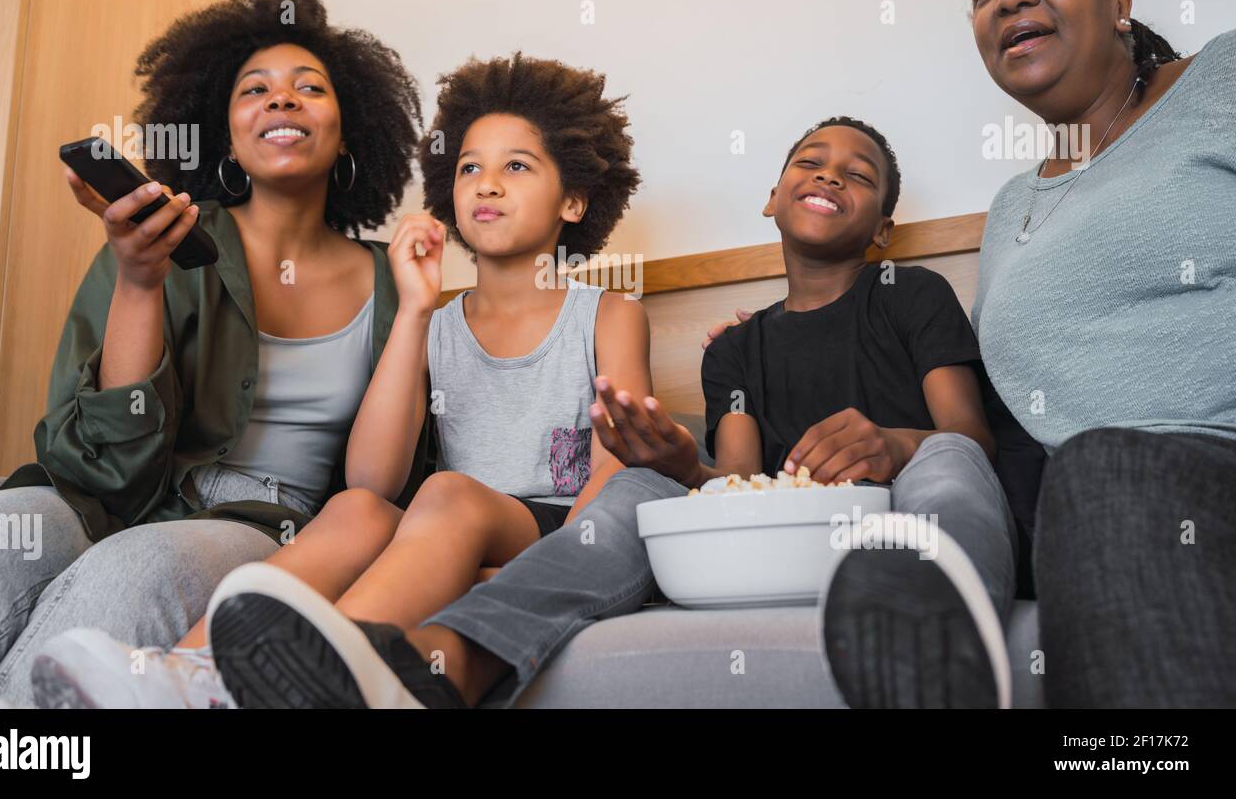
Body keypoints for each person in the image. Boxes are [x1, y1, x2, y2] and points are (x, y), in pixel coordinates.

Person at [207, 116, 1021, 709]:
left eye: (858, 173)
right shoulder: (734, 351)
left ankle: (934, 629)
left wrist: (894, 440)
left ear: (884, 227)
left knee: (950, 458)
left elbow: (969, 435)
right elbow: (729, 486)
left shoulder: (910, 292)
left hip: (896, 518)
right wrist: (676, 463)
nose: (829, 174)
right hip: (774, 536)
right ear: (771, 197)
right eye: (808, 161)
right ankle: (412, 668)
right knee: (644, 492)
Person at [48, 52, 651, 709]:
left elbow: (613, 482)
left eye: (517, 166)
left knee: (450, 494)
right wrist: (416, 309)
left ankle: (343, 659)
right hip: (441, 526)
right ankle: (191, 675)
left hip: (556, 528)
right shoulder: (432, 323)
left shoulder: (608, 314)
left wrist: (535, 577)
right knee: (358, 508)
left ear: (574, 199)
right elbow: (372, 478)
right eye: (471, 167)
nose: (487, 183)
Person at [0, 0, 432, 707]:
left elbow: (381, 489)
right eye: (253, 89)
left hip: (268, 526)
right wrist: (139, 280)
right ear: (225, 131)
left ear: (349, 128)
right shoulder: (159, 238)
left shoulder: (394, 280)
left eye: (310, 86)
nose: (281, 98)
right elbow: (103, 474)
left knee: (146, 563)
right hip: (110, 500)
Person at [967, 0, 1236, 707]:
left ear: (1119, 0)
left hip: (1208, 459)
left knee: (1101, 471)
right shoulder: (1009, 205)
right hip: (1085, 498)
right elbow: (1007, 409)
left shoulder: (1221, 79)